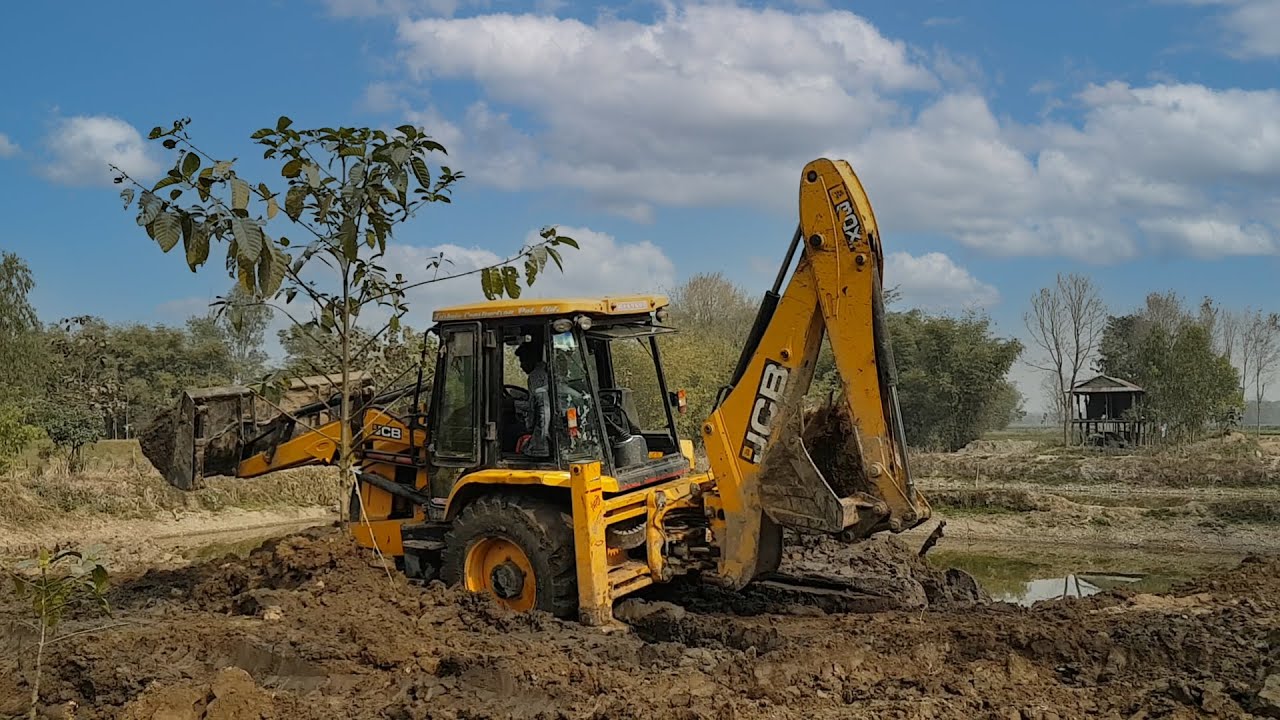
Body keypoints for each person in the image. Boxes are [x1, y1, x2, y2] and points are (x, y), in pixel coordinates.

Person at [515, 337, 551, 457]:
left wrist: (513, 404)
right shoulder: (545, 371)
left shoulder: (535, 375)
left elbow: (540, 404)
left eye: (522, 361)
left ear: (531, 358)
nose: (521, 366)